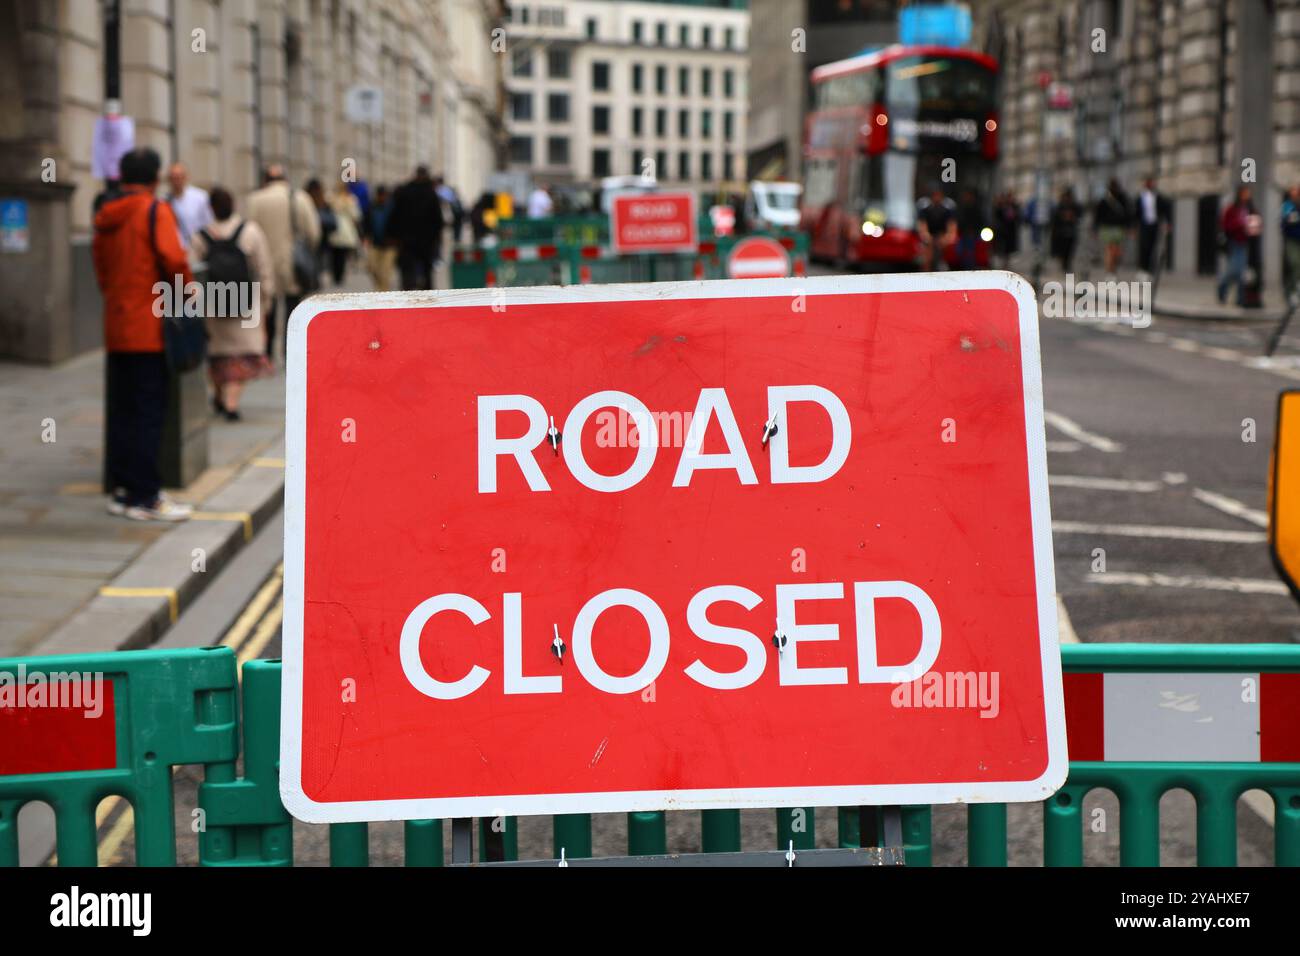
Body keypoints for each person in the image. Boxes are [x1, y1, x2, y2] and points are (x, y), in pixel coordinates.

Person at [91, 146, 194, 522]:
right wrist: (188, 292)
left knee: (123, 411)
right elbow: (174, 259)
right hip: (149, 329)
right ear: (155, 178)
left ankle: (122, 490)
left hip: (117, 326)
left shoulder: (105, 215)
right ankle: (146, 496)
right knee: (150, 412)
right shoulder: (154, 210)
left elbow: (101, 269)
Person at [190, 186, 275, 421]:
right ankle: (231, 402)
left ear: (211, 209)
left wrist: (197, 307)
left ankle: (221, 396)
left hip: (213, 305)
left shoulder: (201, 236)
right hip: (246, 305)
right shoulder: (250, 231)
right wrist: (266, 302)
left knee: (219, 357)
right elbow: (264, 269)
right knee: (243, 356)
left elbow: (192, 275)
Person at [246, 164, 320, 360]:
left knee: (268, 309)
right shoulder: (300, 198)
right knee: (292, 307)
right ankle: (291, 352)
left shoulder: (255, 200)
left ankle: (268, 352)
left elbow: (248, 235)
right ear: (285, 179)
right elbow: (314, 233)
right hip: (291, 263)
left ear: (265, 180)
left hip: (263, 264)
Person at [387, 165, 445, 290]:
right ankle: (426, 295)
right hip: (426, 240)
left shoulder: (405, 191)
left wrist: (393, 235)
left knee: (407, 270)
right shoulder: (431, 193)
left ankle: (408, 292)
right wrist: (436, 237)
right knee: (426, 271)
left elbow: (395, 215)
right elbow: (438, 219)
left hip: (406, 239)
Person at [1217, 186, 1256, 306]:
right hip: (1234, 242)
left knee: (1240, 272)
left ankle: (1240, 299)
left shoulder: (1249, 208)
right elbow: (1225, 225)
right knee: (1235, 270)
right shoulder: (1232, 209)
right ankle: (1222, 287)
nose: (1246, 196)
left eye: (1248, 194)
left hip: (1245, 242)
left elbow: (1255, 221)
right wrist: (1239, 224)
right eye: (1244, 193)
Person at [167, 162, 211, 249]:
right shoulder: (164, 201)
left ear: (186, 177)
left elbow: (209, 223)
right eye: (174, 178)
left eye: (180, 177)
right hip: (175, 249)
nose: (177, 181)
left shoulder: (200, 197)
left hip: (197, 248)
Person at [326, 180, 362, 286]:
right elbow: (356, 215)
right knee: (341, 255)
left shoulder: (332, 198)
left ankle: (336, 275)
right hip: (346, 229)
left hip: (334, 228)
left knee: (334, 254)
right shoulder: (350, 199)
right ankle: (339, 276)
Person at [1094, 179, 1132, 276]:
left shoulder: (1122, 199)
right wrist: (1095, 228)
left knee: (1117, 251)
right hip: (1107, 227)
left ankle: (1112, 270)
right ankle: (1110, 271)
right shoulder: (1105, 200)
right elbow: (1098, 215)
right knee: (1110, 249)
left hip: (1119, 227)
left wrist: (1129, 226)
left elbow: (1127, 214)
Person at [1136, 177, 1172, 278]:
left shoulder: (1157, 197)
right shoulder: (1141, 197)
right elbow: (1136, 213)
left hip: (1154, 225)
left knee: (1153, 247)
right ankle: (1143, 269)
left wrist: (1168, 222)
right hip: (1144, 225)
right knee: (1144, 247)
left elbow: (1166, 209)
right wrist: (1134, 227)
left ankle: (1151, 270)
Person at [915, 187, 956, 271]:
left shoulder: (948, 208)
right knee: (927, 255)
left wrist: (948, 236)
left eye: (939, 195)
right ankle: (926, 272)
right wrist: (926, 235)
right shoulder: (924, 207)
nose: (937, 198)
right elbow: (922, 224)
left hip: (942, 234)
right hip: (929, 234)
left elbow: (951, 224)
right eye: (935, 195)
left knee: (944, 252)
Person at [365, 185, 397, 291]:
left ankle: (384, 292)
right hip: (375, 244)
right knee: (372, 268)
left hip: (389, 246)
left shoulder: (392, 208)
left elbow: (398, 224)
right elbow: (367, 223)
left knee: (385, 272)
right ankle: (380, 288)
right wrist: (366, 235)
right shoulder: (372, 207)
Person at [1050, 187, 1082, 273]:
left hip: (1071, 231)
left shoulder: (1074, 206)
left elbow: (1079, 215)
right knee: (1062, 249)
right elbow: (1054, 218)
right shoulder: (1059, 206)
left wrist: (1073, 217)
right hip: (1061, 232)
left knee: (1070, 249)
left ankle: (1067, 264)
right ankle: (1063, 264)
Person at [992, 192, 1021, 269]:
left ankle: (1005, 263)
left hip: (1009, 231)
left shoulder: (1013, 207)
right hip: (1001, 231)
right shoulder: (1000, 207)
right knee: (1000, 247)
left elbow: (1017, 218)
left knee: (1007, 249)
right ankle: (1002, 262)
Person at [1282, 183, 1300, 305]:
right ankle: (1291, 291)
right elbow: (1285, 221)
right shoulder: (1288, 206)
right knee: (1295, 263)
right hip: (1291, 239)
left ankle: (1292, 290)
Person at [435, 176, 465, 246]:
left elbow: (447, 201)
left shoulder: (440, 190)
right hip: (450, 211)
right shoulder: (445, 190)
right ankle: (456, 238)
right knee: (456, 227)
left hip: (446, 212)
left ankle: (456, 238)